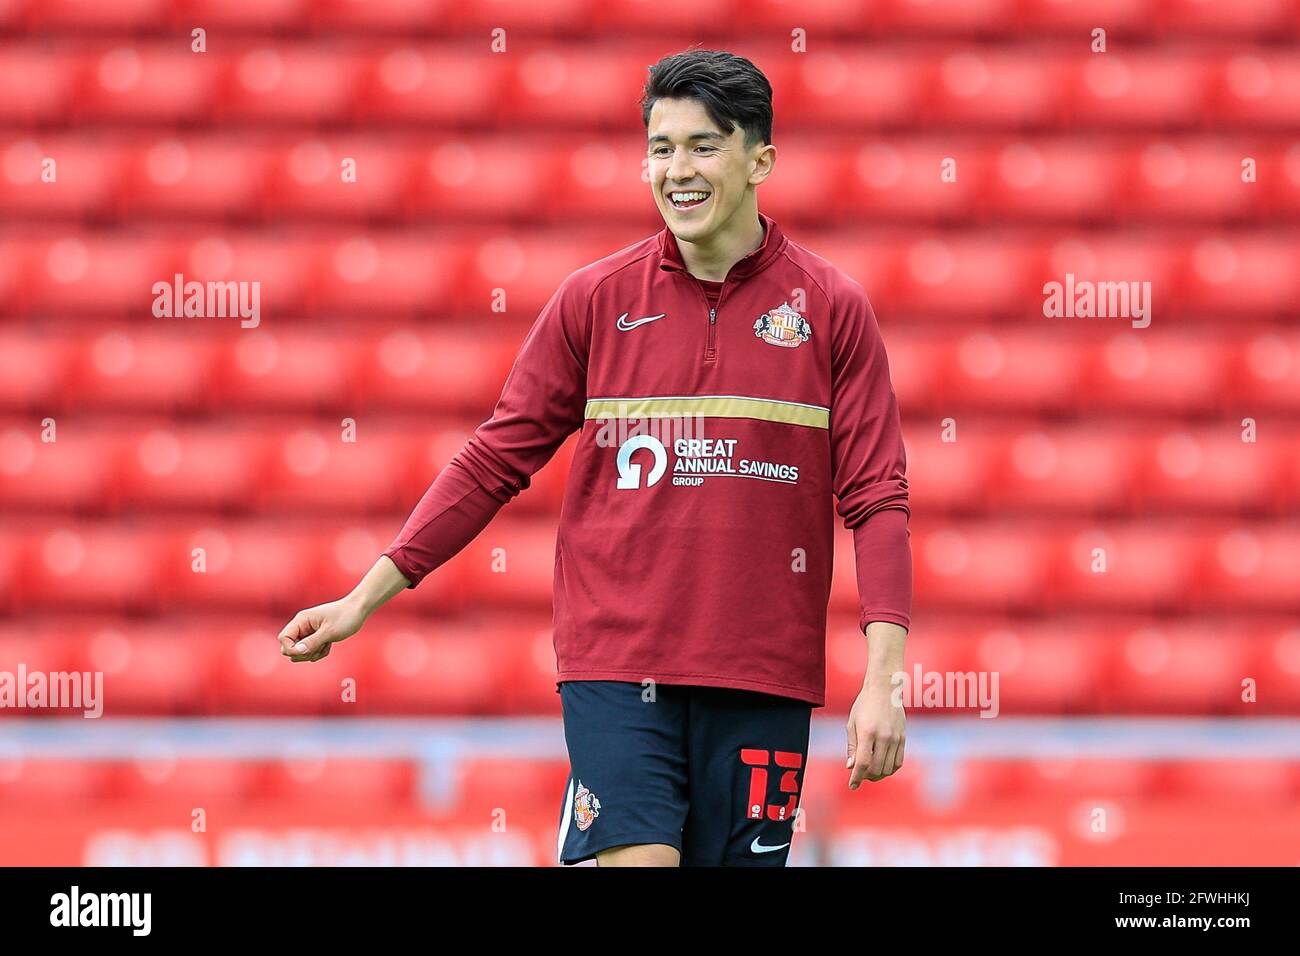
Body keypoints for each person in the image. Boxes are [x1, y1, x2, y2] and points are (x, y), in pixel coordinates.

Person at [276, 48, 912, 867]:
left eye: (703, 146)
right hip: (617, 665)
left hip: (764, 675)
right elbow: (493, 460)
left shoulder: (832, 309)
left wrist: (884, 679)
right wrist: (366, 597)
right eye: (660, 148)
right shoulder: (594, 300)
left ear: (762, 159)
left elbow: (878, 497)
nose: (676, 170)